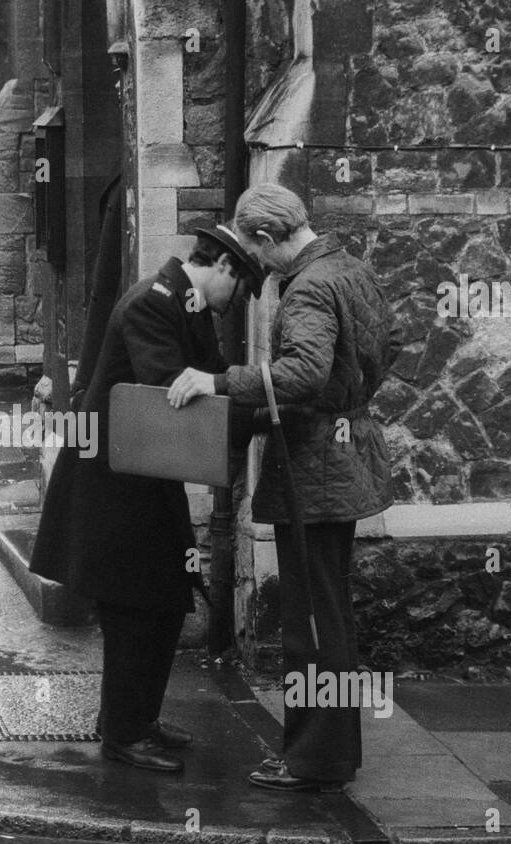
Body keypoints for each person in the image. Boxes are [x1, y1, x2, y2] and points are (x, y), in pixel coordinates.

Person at [168, 183, 403, 792]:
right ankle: (328, 754)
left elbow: (302, 372)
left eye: (256, 252)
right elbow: (386, 346)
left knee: (313, 626)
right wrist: (348, 403)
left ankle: (313, 761)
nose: (257, 269)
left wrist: (217, 382)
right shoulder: (350, 269)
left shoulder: (308, 286)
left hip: (316, 469)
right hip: (344, 455)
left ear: (269, 238)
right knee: (331, 614)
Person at [30, 226, 266, 772]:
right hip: (114, 483)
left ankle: (139, 720)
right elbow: (170, 396)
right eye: (242, 289)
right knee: (132, 608)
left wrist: (241, 407)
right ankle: (122, 735)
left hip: (145, 474)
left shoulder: (183, 306)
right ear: (224, 268)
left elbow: (204, 385)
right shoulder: (152, 304)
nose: (237, 307)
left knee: (161, 602)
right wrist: (262, 419)